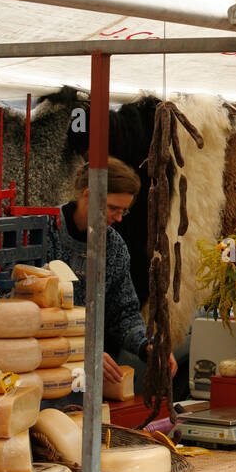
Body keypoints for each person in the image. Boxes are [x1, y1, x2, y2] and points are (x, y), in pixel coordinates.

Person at [46, 157, 176, 391]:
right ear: (88, 194)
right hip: (39, 369)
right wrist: (83, 351)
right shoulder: (43, 232)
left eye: (123, 211)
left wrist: (147, 345)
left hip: (83, 381)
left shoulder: (114, 248)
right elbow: (24, 310)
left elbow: (123, 312)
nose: (117, 218)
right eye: (113, 208)